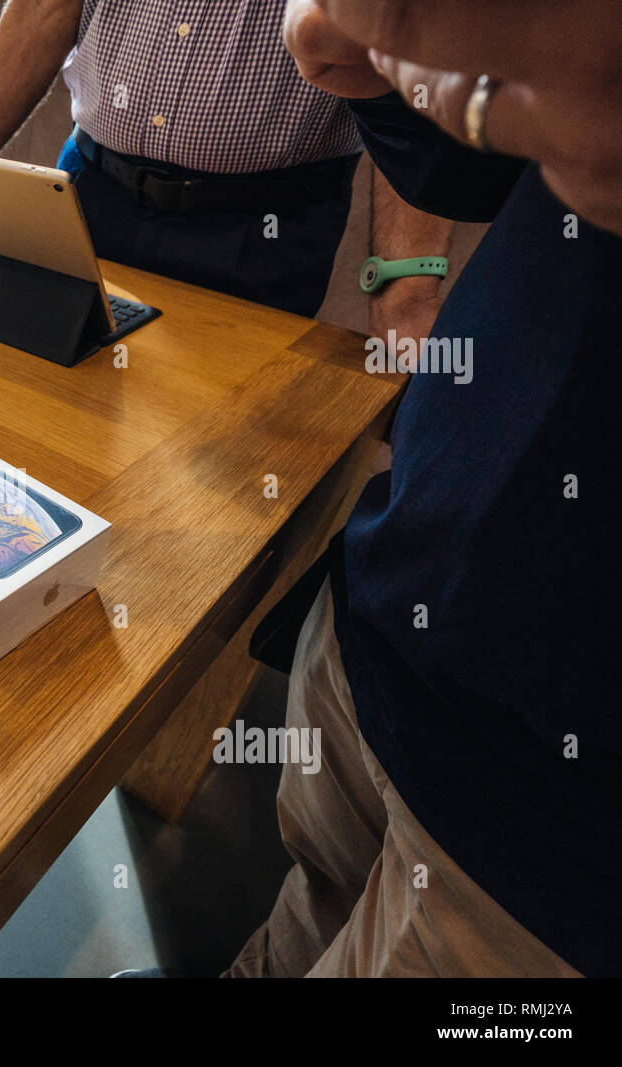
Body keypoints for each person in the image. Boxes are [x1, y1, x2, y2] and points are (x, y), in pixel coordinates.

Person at [226, 0, 621, 977]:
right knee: (314, 888)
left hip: (549, 779)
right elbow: (475, 165)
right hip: (397, 577)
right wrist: (399, 70)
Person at [0, 0, 451, 334]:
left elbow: (409, 65)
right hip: (86, 193)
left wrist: (406, 290)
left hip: (262, 234)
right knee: (43, 413)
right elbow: (42, 7)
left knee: (218, 469)